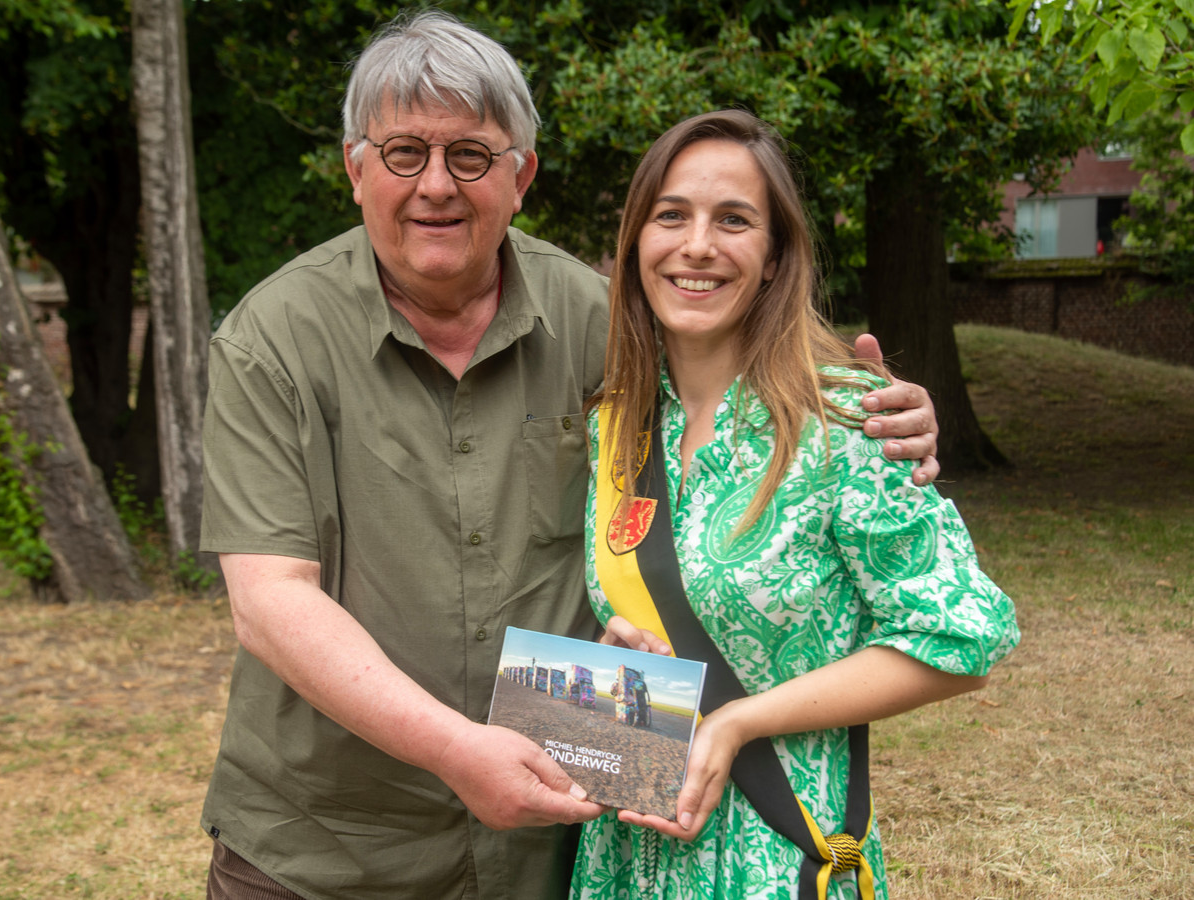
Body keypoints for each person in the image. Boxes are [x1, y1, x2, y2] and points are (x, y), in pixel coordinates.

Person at [198, 12, 941, 900]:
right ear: (355, 170)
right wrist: (456, 750)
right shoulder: (268, 341)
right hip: (328, 849)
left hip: (553, 844)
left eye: (471, 155)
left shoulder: (606, 323)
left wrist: (870, 410)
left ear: (522, 177)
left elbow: (744, 377)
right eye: (404, 153)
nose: (436, 185)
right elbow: (271, 603)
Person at [571, 110, 1020, 900]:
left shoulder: (847, 417)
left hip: (777, 859)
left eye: (734, 220)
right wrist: (621, 664)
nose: (697, 245)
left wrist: (741, 720)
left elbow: (963, 639)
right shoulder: (615, 424)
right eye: (670, 215)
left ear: (775, 258)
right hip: (629, 857)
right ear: (636, 243)